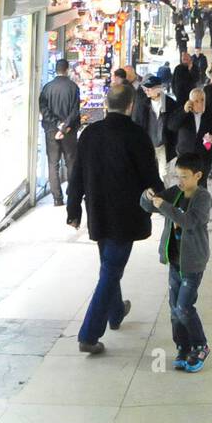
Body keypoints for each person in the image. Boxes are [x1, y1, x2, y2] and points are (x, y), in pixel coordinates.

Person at [68, 84, 162, 354]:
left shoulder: (89, 134)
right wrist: (169, 200)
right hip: (126, 214)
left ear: (106, 105)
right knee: (110, 270)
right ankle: (88, 334)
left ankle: (117, 311)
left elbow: (77, 174)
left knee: (109, 265)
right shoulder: (136, 135)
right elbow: (150, 177)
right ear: (131, 105)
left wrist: (73, 209)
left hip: (98, 211)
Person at [143, 151, 212, 373]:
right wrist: (147, 197)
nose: (180, 181)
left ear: (198, 176)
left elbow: (188, 221)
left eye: (184, 176)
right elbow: (150, 206)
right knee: (174, 309)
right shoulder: (175, 193)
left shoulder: (202, 199)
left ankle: (201, 345)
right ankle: (183, 347)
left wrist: (163, 205)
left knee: (184, 307)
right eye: (177, 177)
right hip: (175, 261)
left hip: (192, 263)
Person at [38, 58, 81, 206]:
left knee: (53, 163)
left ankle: (57, 198)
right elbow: (75, 111)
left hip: (51, 131)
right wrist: (64, 126)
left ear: (56, 70)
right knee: (71, 163)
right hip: (69, 131)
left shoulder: (47, 88)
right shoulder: (73, 87)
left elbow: (44, 109)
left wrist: (56, 125)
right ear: (67, 70)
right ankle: (71, 194)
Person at [168, 87, 212, 183]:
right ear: (190, 102)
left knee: (201, 185)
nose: (200, 104)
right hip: (185, 155)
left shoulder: (211, 112)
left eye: (202, 100)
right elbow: (171, 126)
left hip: (204, 156)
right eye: (196, 101)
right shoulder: (184, 112)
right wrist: (183, 112)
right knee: (185, 185)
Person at [132, 74, 178, 180]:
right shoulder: (143, 103)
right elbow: (137, 122)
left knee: (164, 174)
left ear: (159, 89)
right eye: (145, 88)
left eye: (149, 88)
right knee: (148, 173)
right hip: (147, 144)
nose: (146, 91)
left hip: (164, 145)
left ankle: (163, 195)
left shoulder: (170, 104)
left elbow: (174, 125)